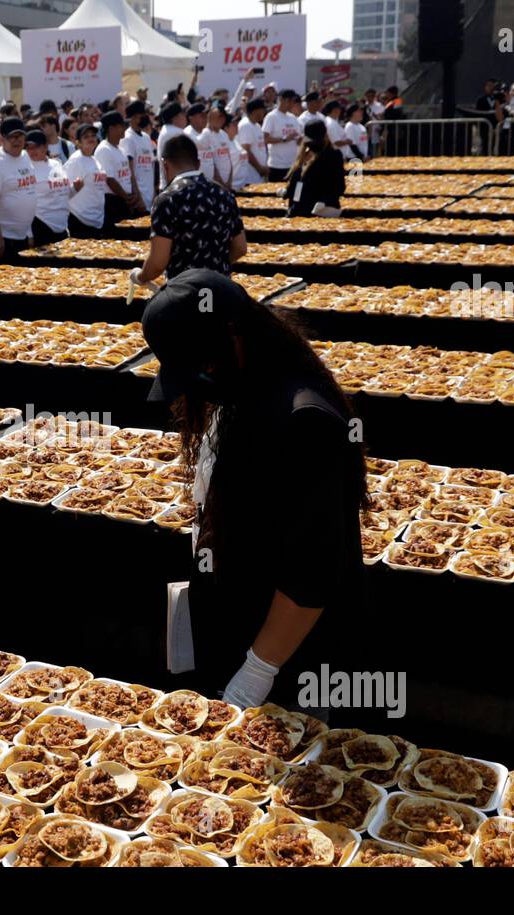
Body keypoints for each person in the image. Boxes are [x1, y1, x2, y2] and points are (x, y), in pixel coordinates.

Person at [140, 269, 366, 706]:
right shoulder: (244, 389)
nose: (202, 380)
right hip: (241, 616)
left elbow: (312, 570)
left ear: (234, 334)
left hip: (291, 652)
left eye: (204, 364)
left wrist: (258, 670)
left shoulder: (304, 421)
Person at [133, 135, 245, 285]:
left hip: (184, 292)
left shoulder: (167, 200)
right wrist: (214, 264)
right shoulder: (225, 194)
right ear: (198, 164)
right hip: (221, 288)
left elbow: (158, 262)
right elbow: (240, 248)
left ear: (164, 165)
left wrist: (140, 277)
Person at [0, 117, 37, 263]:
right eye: (12, 137)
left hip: (20, 235)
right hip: (1, 237)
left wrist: (28, 233)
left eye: (20, 136)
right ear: (2, 138)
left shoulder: (25, 156)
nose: (17, 141)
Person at [286, 120, 345, 216]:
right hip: (300, 209)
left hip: (321, 210)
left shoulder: (333, 155)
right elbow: (299, 180)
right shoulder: (304, 154)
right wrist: (288, 191)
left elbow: (339, 185)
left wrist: (325, 201)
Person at [94, 111, 141, 231]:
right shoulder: (104, 149)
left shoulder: (120, 149)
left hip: (124, 200)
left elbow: (128, 174)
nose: (125, 129)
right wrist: (126, 198)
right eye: (121, 125)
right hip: (113, 202)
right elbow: (109, 179)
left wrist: (134, 194)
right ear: (111, 128)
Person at [26, 130, 71, 247]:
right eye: (29, 147)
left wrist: (76, 189)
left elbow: (64, 192)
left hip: (61, 226)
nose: (32, 151)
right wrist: (29, 234)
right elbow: (25, 204)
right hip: (41, 225)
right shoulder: (27, 169)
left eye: (36, 146)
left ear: (46, 146)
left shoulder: (57, 163)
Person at [63, 123, 107, 238]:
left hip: (96, 220)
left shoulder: (94, 159)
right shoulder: (76, 160)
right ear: (78, 142)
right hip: (80, 219)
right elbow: (64, 191)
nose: (91, 138)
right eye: (86, 137)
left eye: (93, 135)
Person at [121, 100, 156, 207]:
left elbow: (151, 166)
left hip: (150, 195)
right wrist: (138, 196)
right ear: (133, 118)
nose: (145, 118)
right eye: (141, 115)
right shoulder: (128, 137)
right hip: (139, 198)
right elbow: (129, 169)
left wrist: (154, 191)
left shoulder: (146, 137)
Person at [263, 90, 302, 182]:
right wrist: (284, 139)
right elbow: (265, 139)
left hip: (293, 164)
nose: (292, 103)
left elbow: (298, 139)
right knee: (276, 193)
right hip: (277, 165)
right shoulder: (271, 116)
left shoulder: (292, 117)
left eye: (293, 101)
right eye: (290, 101)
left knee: (295, 193)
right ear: (281, 100)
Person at [231, 100, 269, 190]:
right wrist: (260, 169)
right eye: (263, 110)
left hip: (258, 175)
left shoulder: (257, 125)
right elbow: (246, 150)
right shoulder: (245, 125)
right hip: (250, 176)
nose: (264, 112)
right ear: (255, 111)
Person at [202, 106, 233, 191]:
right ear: (210, 117)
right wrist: (221, 184)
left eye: (223, 117)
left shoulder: (224, 134)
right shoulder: (206, 134)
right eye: (219, 116)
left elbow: (228, 158)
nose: (222, 119)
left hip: (227, 184)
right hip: (214, 184)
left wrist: (229, 181)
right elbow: (212, 163)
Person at [183, 103, 214, 181]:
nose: (205, 118)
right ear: (191, 118)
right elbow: (200, 144)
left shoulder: (206, 131)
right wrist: (208, 128)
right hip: (195, 181)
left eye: (206, 115)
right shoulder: (187, 132)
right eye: (202, 115)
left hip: (209, 181)